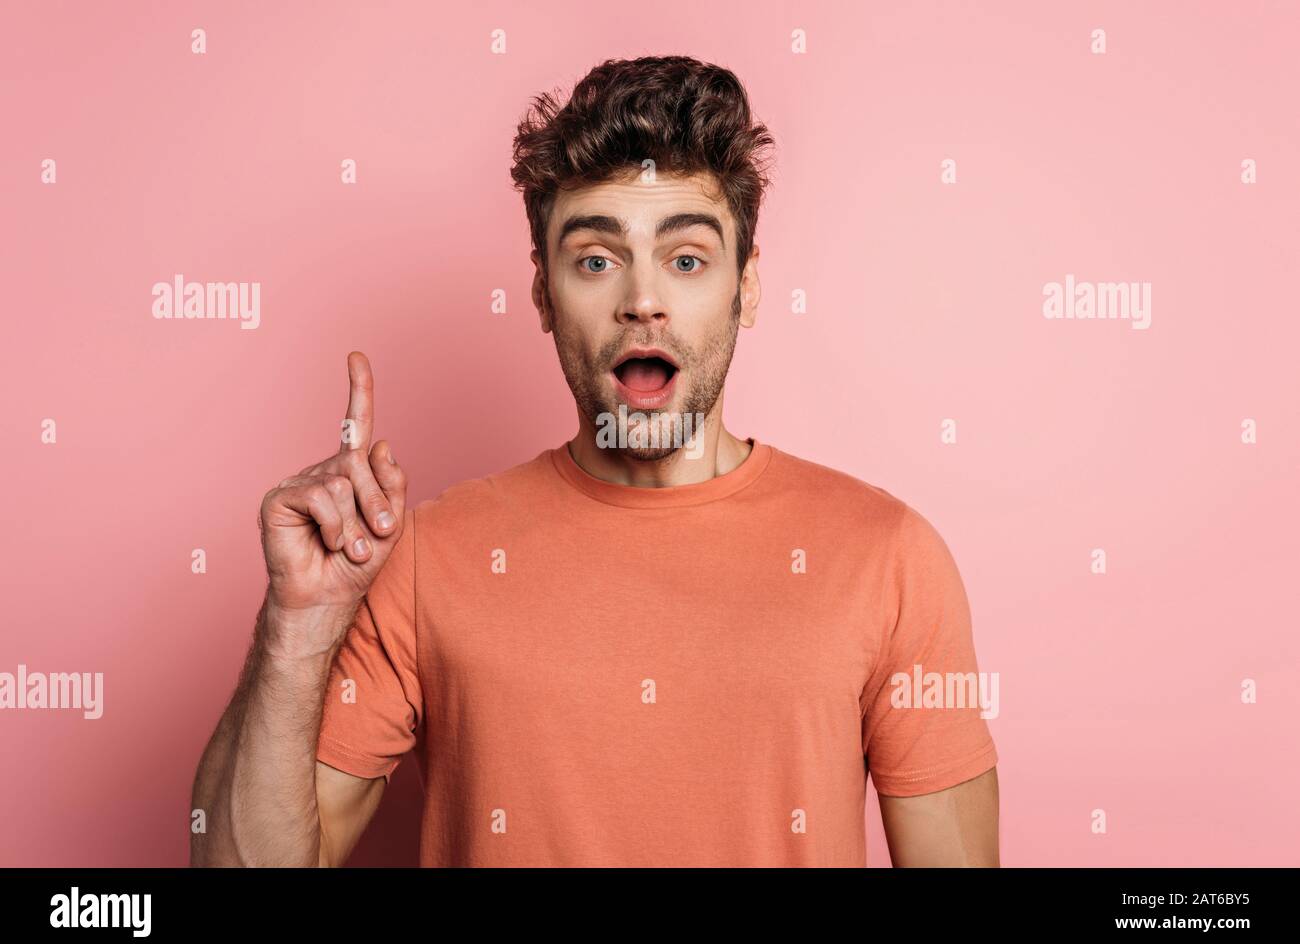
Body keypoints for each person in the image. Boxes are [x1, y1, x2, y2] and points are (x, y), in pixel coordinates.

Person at [191, 54, 998, 867]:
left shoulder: (890, 559)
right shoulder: (425, 560)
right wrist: (295, 629)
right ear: (543, 295)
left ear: (746, 288)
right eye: (596, 260)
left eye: (686, 259)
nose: (642, 298)